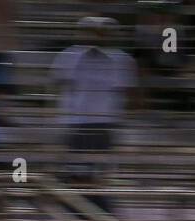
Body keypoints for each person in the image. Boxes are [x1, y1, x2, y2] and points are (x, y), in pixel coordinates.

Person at [50, 17, 139, 195]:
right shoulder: (69, 56)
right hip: (77, 122)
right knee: (76, 173)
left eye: (102, 32)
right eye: (91, 31)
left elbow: (128, 93)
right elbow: (57, 85)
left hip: (104, 124)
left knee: (98, 174)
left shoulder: (122, 60)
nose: (97, 36)